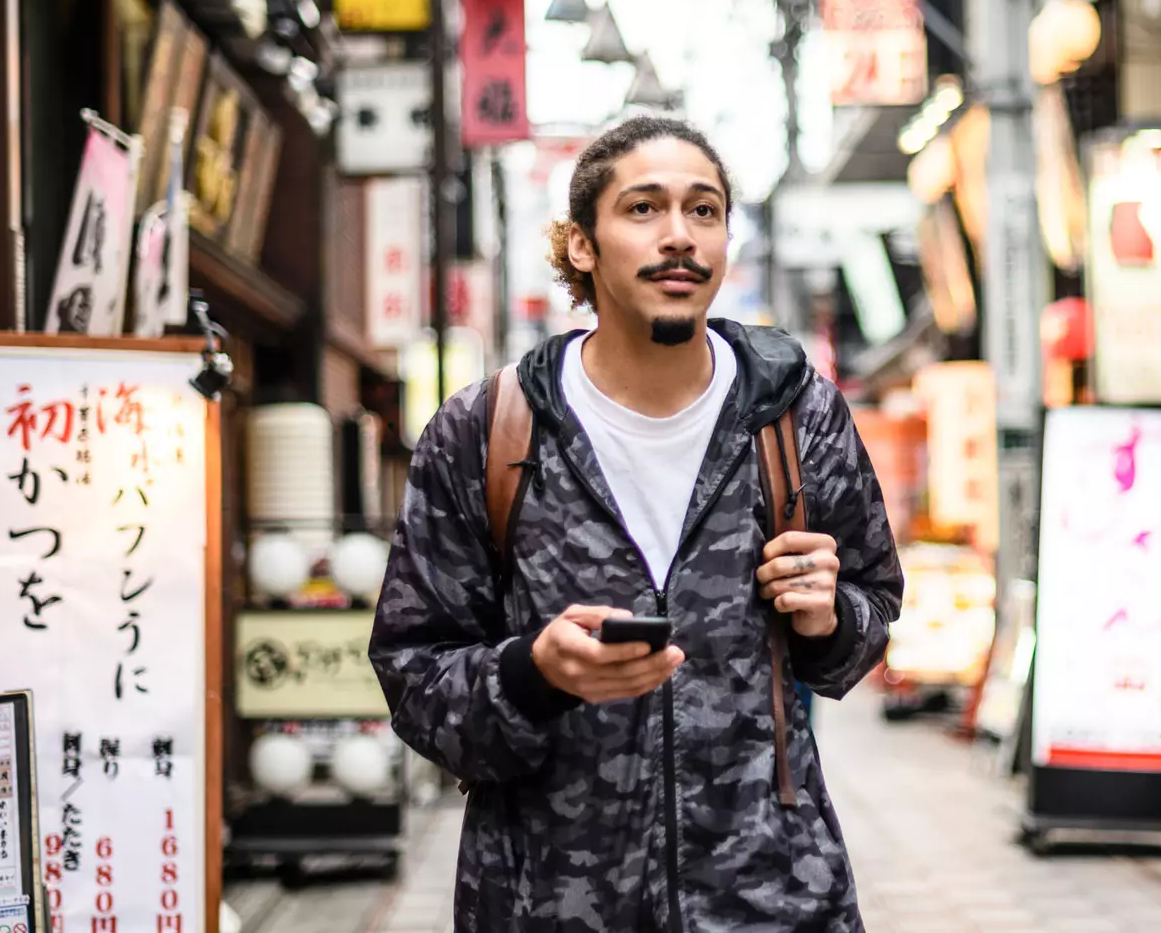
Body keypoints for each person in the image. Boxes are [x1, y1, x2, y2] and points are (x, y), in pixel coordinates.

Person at [370, 115, 905, 933]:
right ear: (581, 244)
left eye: (704, 211)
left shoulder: (794, 416)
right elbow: (413, 672)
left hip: (769, 896)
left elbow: (870, 618)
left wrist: (832, 616)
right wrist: (532, 675)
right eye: (644, 209)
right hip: (548, 900)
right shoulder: (489, 431)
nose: (680, 237)